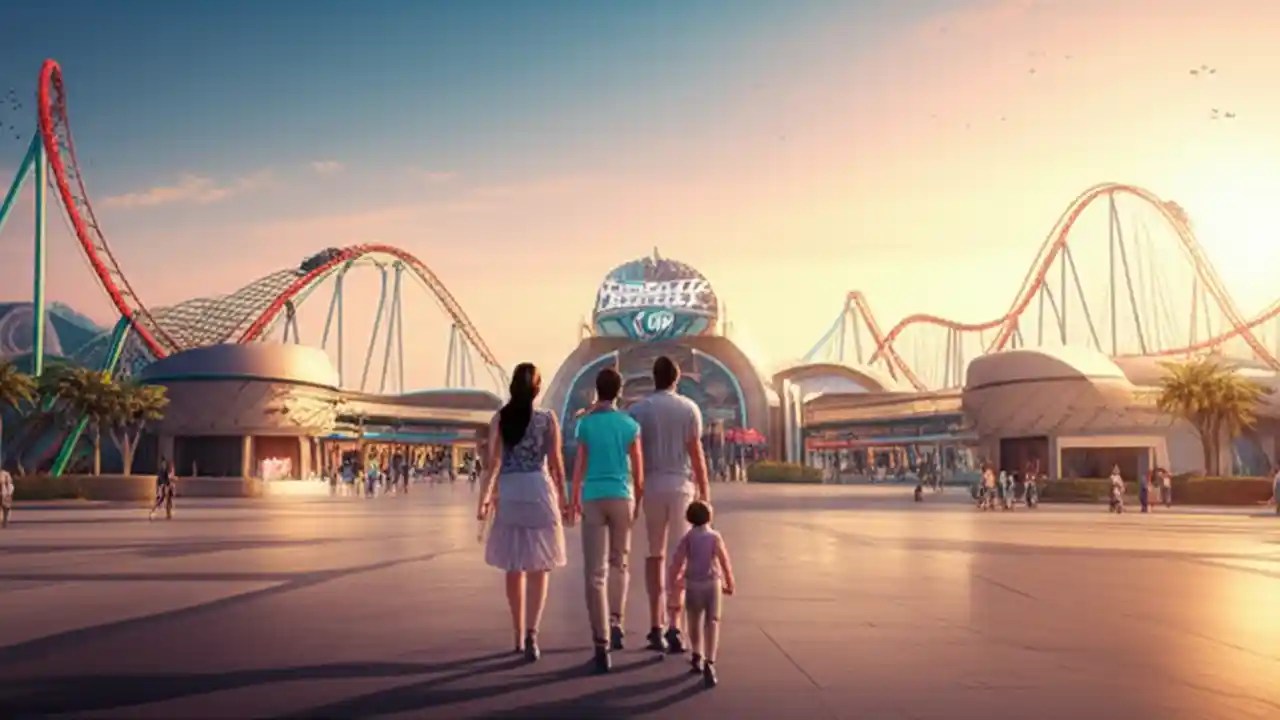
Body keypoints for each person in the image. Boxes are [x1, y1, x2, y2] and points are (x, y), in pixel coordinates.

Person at [477, 363, 568, 662]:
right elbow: (555, 464)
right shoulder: (547, 419)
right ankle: (532, 633)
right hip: (539, 491)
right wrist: (565, 499)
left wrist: (486, 498)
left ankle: (516, 634)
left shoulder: (501, 419)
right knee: (539, 566)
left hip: (511, 492)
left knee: (514, 566)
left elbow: (495, 463)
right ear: (537, 389)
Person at [628, 356, 709, 654]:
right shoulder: (690, 409)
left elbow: (633, 457)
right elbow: (695, 451)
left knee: (654, 554)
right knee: (679, 558)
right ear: (677, 378)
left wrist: (635, 493)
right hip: (681, 487)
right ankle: (676, 624)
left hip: (651, 486)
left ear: (654, 378)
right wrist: (704, 489)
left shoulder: (638, 411)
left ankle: (655, 624)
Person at [571, 367, 644, 673]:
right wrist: (638, 498)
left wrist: (573, 496)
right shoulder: (630, 424)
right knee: (620, 562)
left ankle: (600, 643)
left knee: (594, 572)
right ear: (619, 391)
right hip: (621, 496)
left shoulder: (585, 424)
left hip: (593, 496)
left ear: (597, 391)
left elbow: (580, 463)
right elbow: (638, 468)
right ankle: (617, 621)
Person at [668, 500, 735, 689]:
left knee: (694, 620)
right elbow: (724, 560)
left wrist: (673, 582)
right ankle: (710, 661)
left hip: (693, 584)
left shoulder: (688, 537)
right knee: (712, 621)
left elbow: (677, 560)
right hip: (712, 582)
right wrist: (730, 581)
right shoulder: (715, 537)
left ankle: (696, 653)